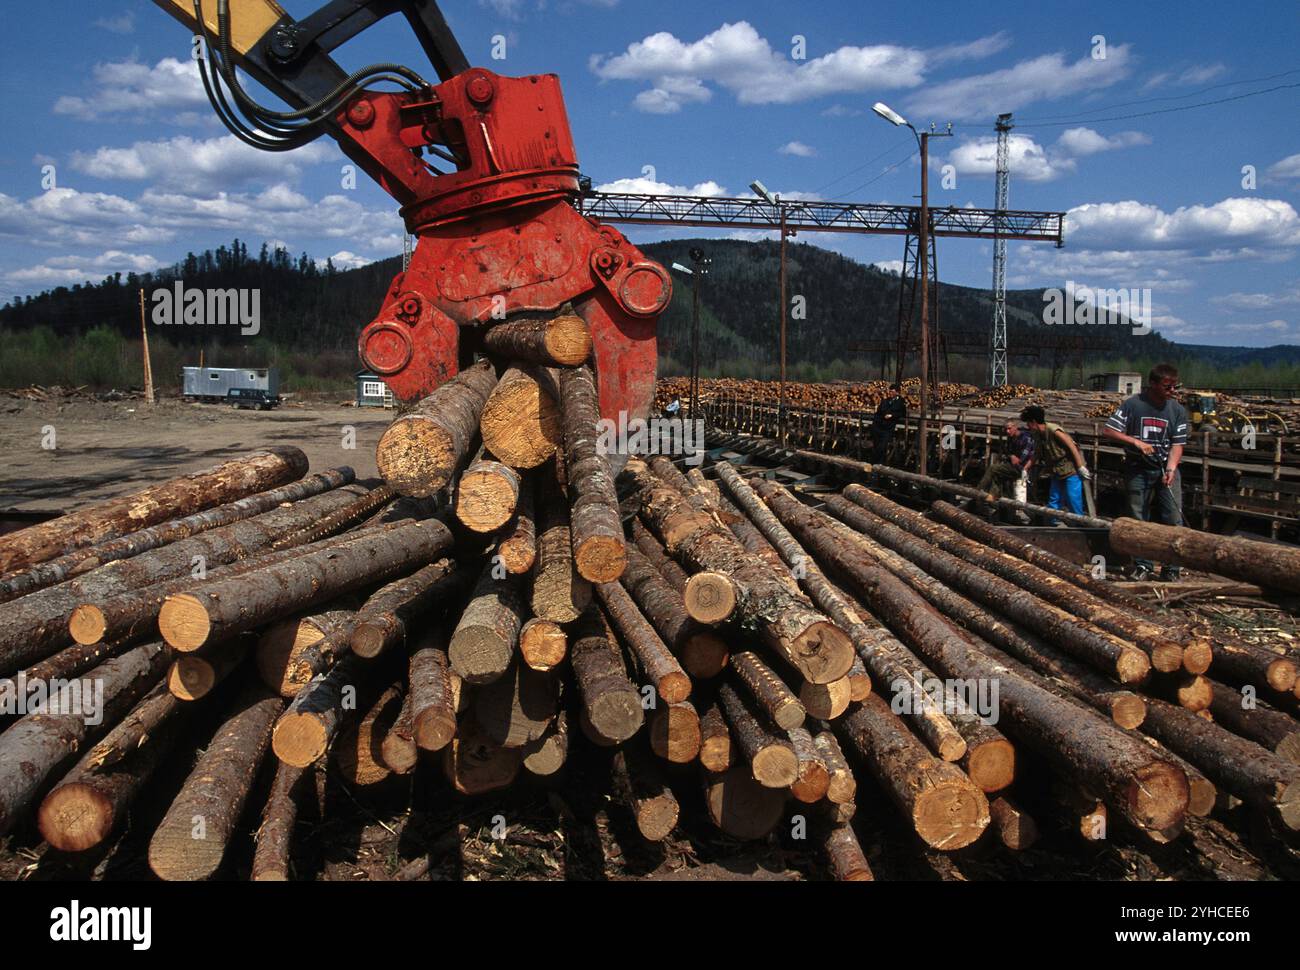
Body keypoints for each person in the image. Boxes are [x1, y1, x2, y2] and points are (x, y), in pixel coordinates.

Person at [1101, 363, 1189, 581]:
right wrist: (1135, 442)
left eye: (1174, 387)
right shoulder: (1133, 405)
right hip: (1138, 467)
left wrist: (1171, 467)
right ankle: (1143, 564)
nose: (1172, 391)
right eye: (1167, 386)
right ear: (1153, 384)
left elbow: (1177, 444)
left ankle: (1172, 567)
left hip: (1164, 467)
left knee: (1173, 516)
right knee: (1138, 516)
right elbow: (1109, 430)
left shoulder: (1177, 410)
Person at [1020, 405, 1092, 516]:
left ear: (1033, 422)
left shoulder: (1054, 430)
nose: (1027, 426)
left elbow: (1072, 446)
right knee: (1054, 500)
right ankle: (1053, 525)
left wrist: (1080, 466)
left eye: (1028, 423)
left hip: (1070, 469)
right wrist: (1025, 469)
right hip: (1056, 470)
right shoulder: (1038, 434)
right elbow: (1037, 453)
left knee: (1073, 499)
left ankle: (1079, 526)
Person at [978, 419, 1035, 501]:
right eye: (1006, 429)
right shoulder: (1011, 438)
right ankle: (993, 499)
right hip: (1012, 466)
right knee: (997, 475)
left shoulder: (1026, 439)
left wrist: (1012, 457)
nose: (1007, 431)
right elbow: (1008, 453)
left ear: (1016, 427)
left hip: (1023, 468)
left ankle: (978, 491)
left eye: (1009, 428)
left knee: (993, 469)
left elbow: (1020, 460)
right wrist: (1011, 456)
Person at [871, 384, 907, 464]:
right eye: (890, 391)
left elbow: (902, 414)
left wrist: (892, 415)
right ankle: (876, 464)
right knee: (876, 445)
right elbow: (878, 412)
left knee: (882, 447)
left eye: (892, 392)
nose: (890, 393)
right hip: (879, 426)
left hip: (888, 427)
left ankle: (879, 464)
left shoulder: (901, 402)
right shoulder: (885, 401)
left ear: (897, 393)